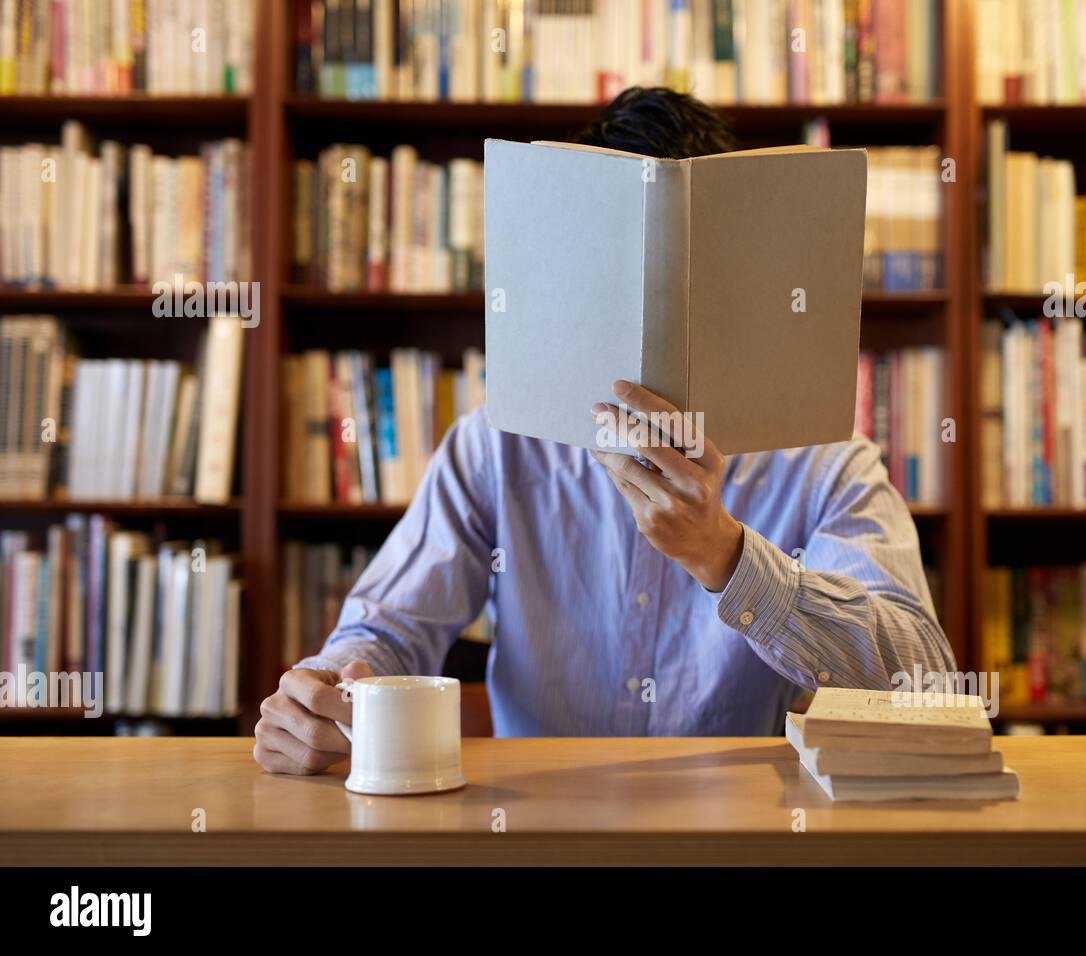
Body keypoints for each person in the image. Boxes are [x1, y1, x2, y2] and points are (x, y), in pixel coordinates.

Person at [253, 87, 954, 775]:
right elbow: (389, 629)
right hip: (537, 837)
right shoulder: (497, 446)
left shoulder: (823, 459)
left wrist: (729, 558)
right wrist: (324, 696)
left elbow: (924, 686)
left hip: (737, 841)